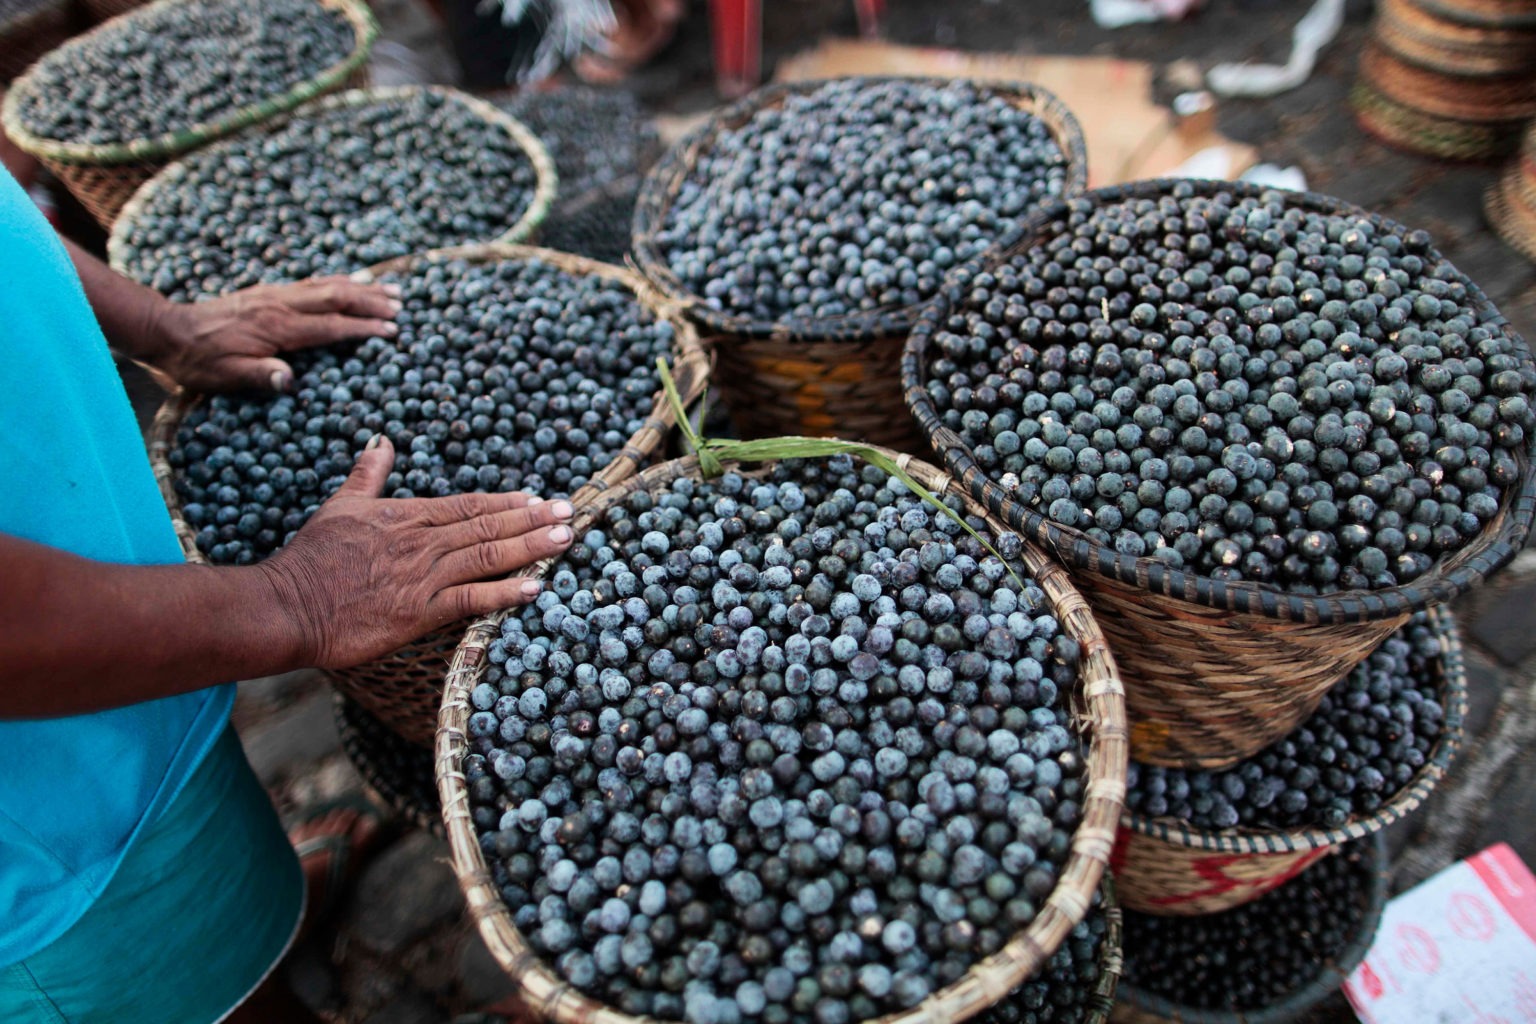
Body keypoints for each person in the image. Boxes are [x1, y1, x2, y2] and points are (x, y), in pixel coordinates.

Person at [0, 165, 573, 1021]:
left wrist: (158, 323)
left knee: (206, 861)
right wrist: (291, 603)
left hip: (126, 674)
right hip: (49, 849)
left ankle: (259, 907)